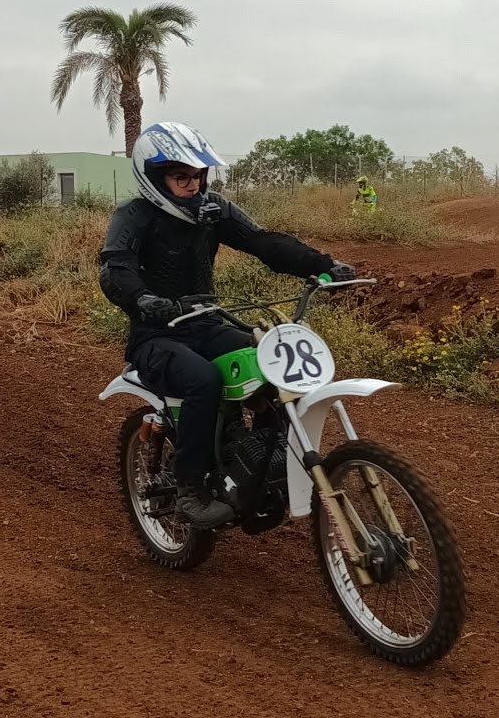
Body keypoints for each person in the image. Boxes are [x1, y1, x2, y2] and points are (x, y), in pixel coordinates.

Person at [99, 122, 356, 529]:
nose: (192, 185)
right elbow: (116, 270)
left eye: (198, 176)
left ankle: (263, 467)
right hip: (156, 336)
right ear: (154, 178)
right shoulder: (135, 215)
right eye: (180, 176)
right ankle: (189, 490)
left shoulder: (212, 210)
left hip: (206, 324)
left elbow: (264, 242)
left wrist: (323, 265)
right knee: (203, 380)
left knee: (271, 363)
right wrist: (144, 300)